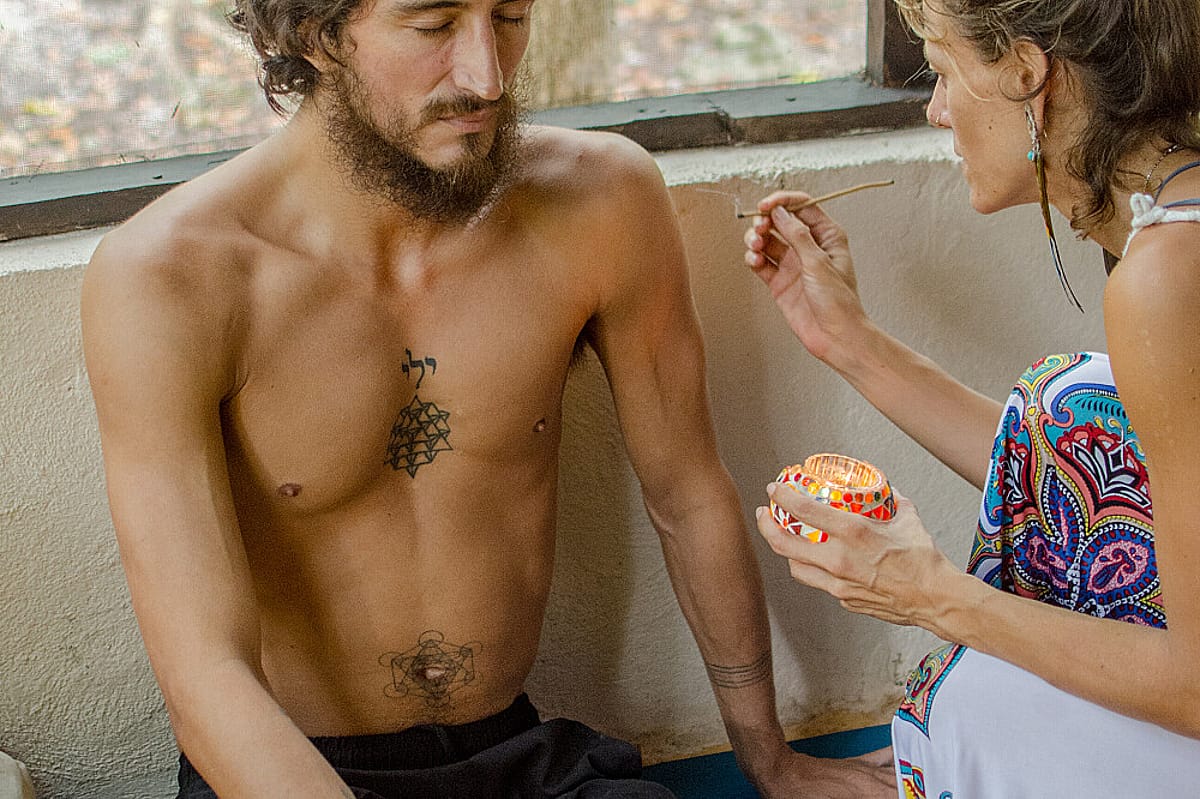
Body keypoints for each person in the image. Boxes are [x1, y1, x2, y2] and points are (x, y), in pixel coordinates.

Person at [81, 1, 896, 797]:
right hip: (284, 769)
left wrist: (774, 762)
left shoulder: (601, 198)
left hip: (516, 756)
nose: (488, 75)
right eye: (434, 25)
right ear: (315, 34)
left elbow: (687, 494)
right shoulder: (168, 276)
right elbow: (203, 674)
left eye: (510, 17)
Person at [744, 0, 1200, 796]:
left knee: (974, 699)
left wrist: (928, 594)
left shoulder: (1167, 278)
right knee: (1063, 415)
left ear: (1028, 73)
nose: (935, 108)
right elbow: (1088, 489)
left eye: (944, 70)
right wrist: (849, 339)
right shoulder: (1174, 218)